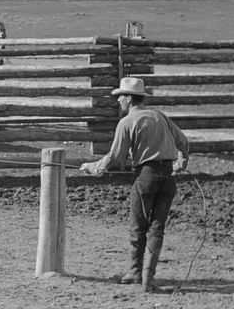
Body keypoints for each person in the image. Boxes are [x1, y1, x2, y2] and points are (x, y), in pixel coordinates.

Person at [79, 77, 189, 292]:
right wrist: (181, 163)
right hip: (167, 176)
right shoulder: (160, 117)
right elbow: (183, 142)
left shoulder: (127, 122)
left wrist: (94, 167)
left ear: (128, 99)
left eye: (120, 97)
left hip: (145, 176)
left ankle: (135, 271)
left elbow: (115, 157)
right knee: (157, 226)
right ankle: (149, 276)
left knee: (138, 225)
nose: (119, 100)